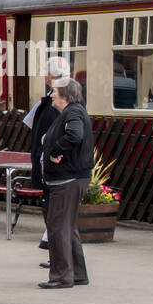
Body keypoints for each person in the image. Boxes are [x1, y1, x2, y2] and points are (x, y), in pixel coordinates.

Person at [38, 79, 94, 289]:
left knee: (58, 226)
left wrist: (55, 151)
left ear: (64, 94)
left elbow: (75, 135)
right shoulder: (73, 112)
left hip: (67, 178)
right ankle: (77, 273)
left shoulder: (73, 113)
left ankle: (62, 275)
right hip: (69, 177)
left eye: (54, 91)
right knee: (67, 228)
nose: (51, 95)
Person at [26, 56, 69, 261]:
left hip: (53, 165)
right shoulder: (52, 99)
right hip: (48, 162)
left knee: (53, 208)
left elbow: (61, 135)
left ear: (51, 75)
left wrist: (52, 154)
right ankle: (55, 252)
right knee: (50, 206)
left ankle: (58, 256)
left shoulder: (59, 103)